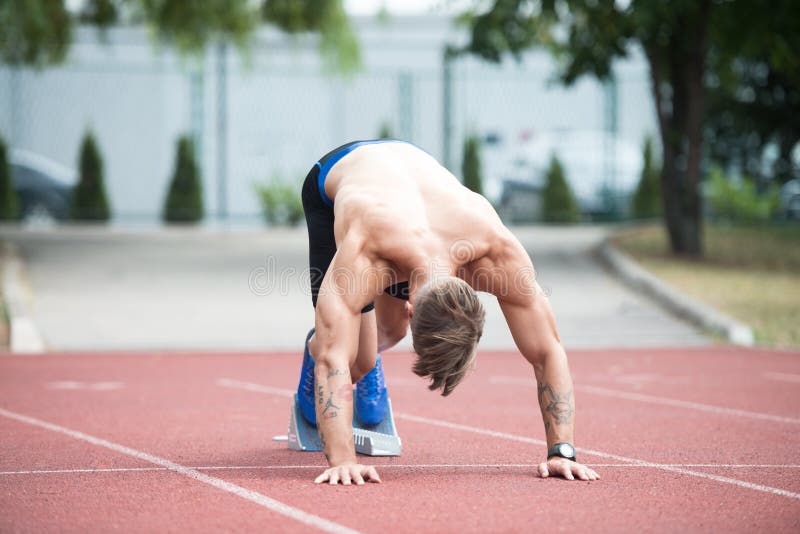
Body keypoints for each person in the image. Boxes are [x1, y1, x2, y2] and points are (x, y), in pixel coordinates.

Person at [298, 139, 600, 486]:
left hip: (409, 179)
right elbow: (333, 359)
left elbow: (548, 349)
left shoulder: (494, 251)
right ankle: (313, 344)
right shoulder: (365, 254)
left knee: (388, 332)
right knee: (356, 359)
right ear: (412, 310)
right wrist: (343, 459)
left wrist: (562, 451)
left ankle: (361, 343)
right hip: (335, 178)